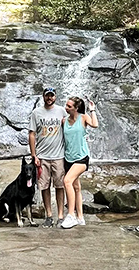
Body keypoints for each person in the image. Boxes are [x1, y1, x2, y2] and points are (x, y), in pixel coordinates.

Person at [29, 86, 66, 227]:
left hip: (59, 156)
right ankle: (49, 216)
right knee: (44, 187)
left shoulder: (62, 111)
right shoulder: (36, 113)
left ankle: (61, 216)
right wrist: (34, 155)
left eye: (52, 95)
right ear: (43, 96)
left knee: (59, 185)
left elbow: (70, 128)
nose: (49, 98)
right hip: (42, 156)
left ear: (55, 97)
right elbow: (32, 133)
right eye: (47, 95)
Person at [60, 96, 98, 229]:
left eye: (69, 106)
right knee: (76, 187)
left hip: (81, 157)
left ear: (76, 108)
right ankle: (80, 217)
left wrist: (92, 110)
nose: (66, 107)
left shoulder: (83, 117)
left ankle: (71, 215)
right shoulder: (64, 121)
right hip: (68, 158)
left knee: (67, 181)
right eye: (66, 105)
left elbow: (95, 124)